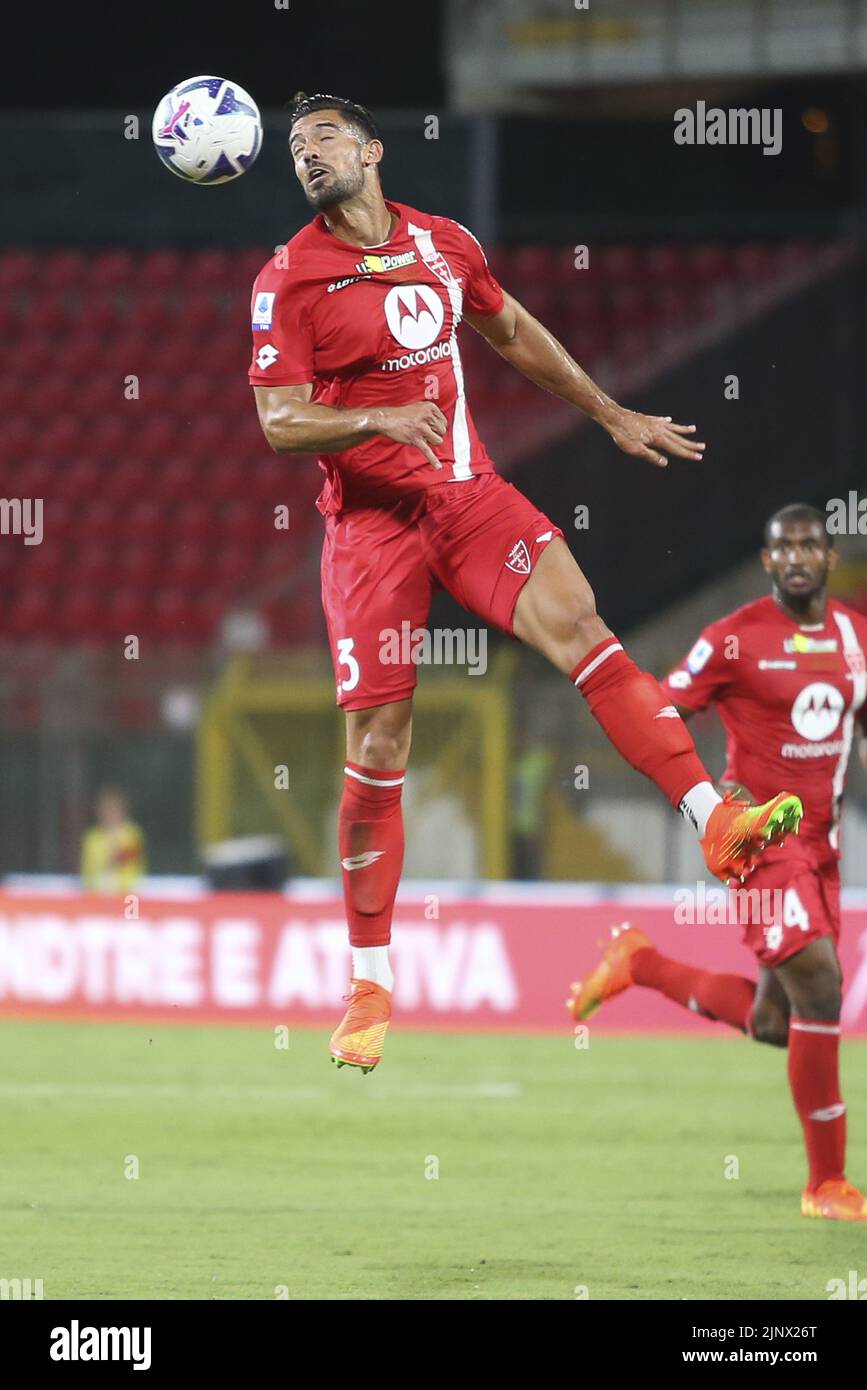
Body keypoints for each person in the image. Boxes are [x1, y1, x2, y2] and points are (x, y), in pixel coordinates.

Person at [249, 91, 802, 1073]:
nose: (308, 154)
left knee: (583, 625)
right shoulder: (289, 278)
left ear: (374, 149)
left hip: (470, 502)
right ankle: (370, 981)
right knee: (381, 736)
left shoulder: (446, 243)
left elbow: (512, 332)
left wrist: (609, 412)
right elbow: (280, 421)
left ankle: (714, 821)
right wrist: (374, 422)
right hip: (372, 533)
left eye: (324, 136)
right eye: (295, 146)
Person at [568, 503, 867, 1220]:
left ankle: (641, 964)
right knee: (819, 990)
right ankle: (825, 1184)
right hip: (761, 843)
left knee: (776, 1022)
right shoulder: (731, 640)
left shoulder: (857, 635)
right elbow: (661, 708)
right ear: (766, 562)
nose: (795, 557)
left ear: (828, 557)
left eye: (808, 546)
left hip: (822, 846)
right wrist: (706, 793)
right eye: (781, 548)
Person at [80, 787, 146, 895]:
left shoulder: (132, 835)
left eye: (114, 810)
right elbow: (88, 870)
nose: (109, 814)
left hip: (127, 895)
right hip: (98, 896)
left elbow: (131, 862)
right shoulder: (92, 838)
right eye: (106, 810)